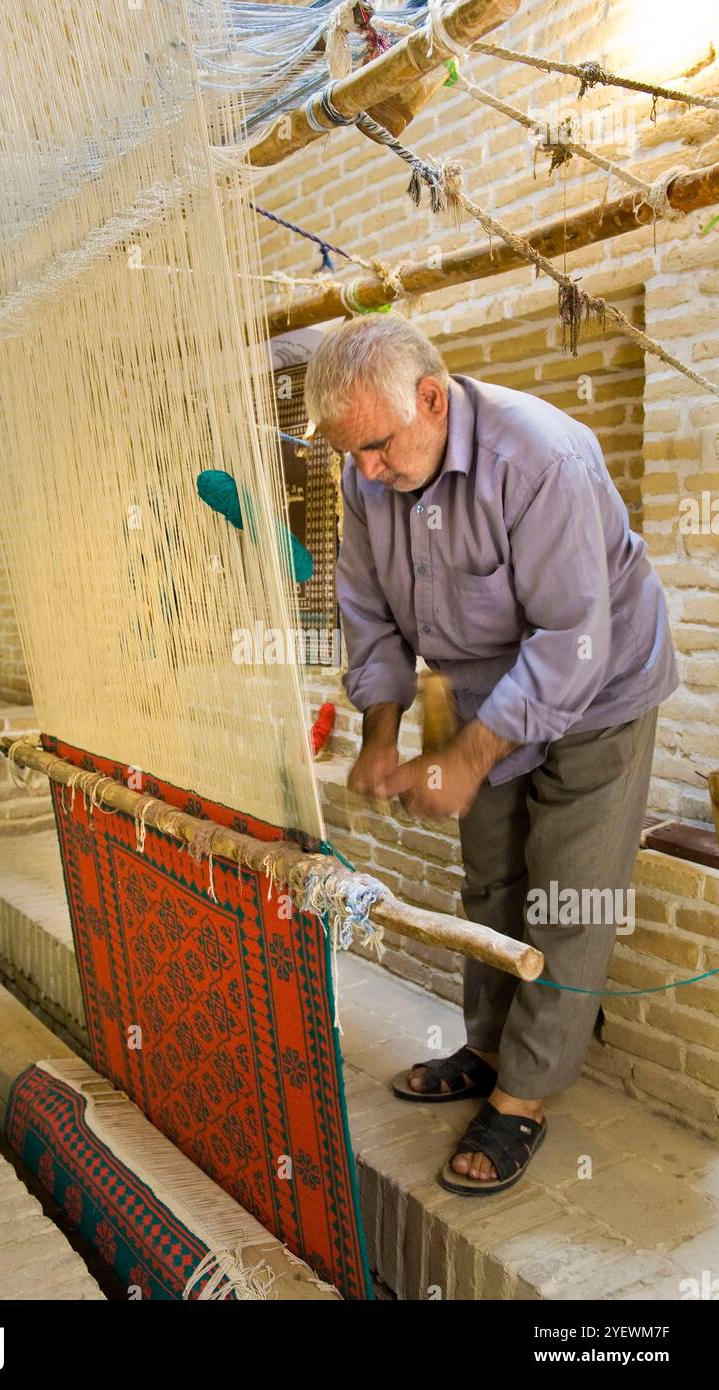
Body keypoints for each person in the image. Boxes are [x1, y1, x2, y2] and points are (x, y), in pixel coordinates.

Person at [303, 314, 678, 1195]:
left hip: (599, 687)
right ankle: (484, 1048)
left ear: (430, 399)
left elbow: (568, 645)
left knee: (568, 890)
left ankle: (525, 1096)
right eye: (350, 454)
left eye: (378, 447)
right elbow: (368, 614)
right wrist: (384, 733)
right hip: (469, 687)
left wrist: (467, 760)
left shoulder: (542, 458)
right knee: (491, 878)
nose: (366, 471)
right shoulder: (370, 476)